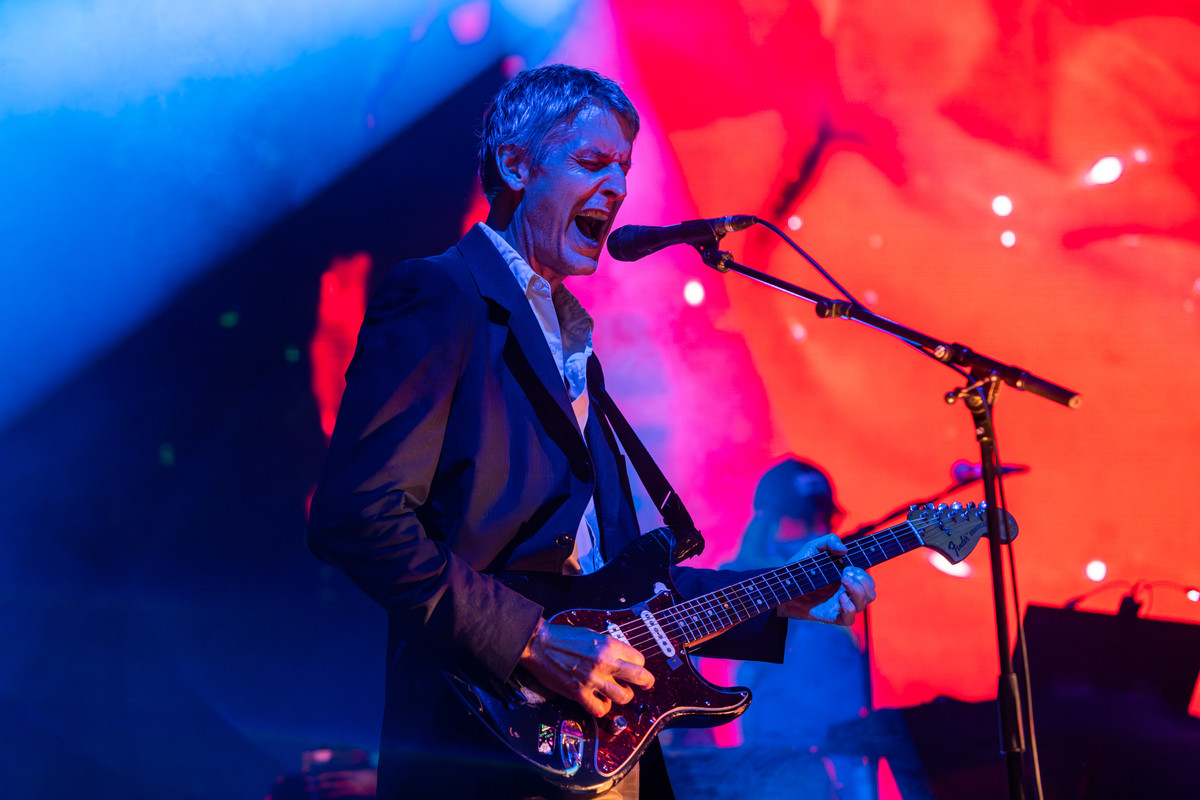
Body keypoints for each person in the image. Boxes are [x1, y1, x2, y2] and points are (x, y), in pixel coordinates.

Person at [306, 64, 876, 800]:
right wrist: (531, 642)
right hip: (482, 739)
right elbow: (358, 516)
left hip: (605, 746)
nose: (618, 188)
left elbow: (620, 587)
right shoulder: (440, 296)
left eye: (626, 170)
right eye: (591, 162)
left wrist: (787, 596)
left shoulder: (574, 344)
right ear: (515, 164)